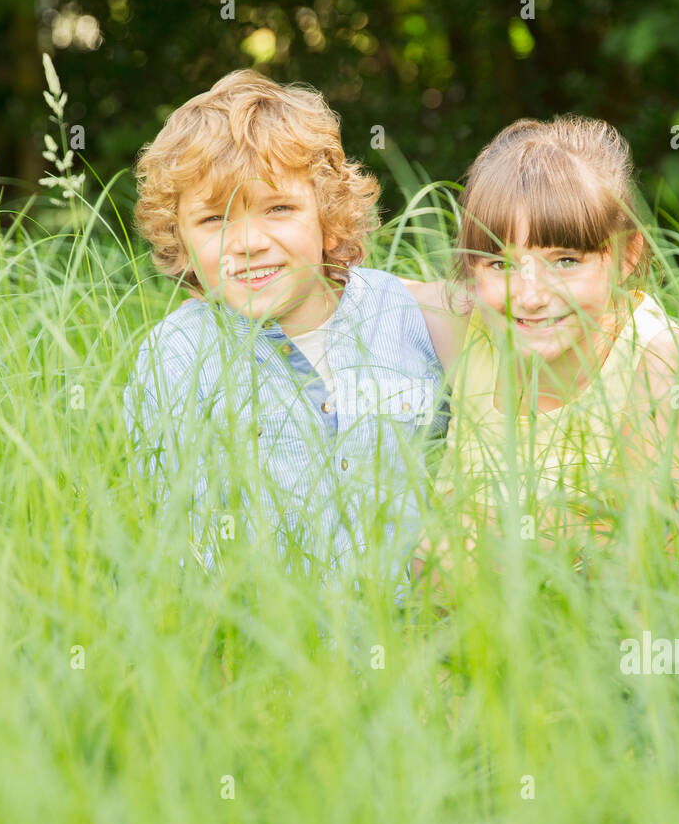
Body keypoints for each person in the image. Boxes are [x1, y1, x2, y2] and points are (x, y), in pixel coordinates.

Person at [122, 70, 446, 592]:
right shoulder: (177, 356)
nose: (248, 242)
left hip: (423, 644)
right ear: (177, 235)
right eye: (214, 219)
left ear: (328, 215)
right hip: (272, 652)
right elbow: (182, 546)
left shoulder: (412, 317)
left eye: (279, 209)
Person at [404, 115, 679, 583]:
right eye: (500, 264)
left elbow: (644, 546)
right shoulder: (476, 322)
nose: (530, 295)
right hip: (471, 615)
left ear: (627, 257)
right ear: (471, 268)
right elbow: (343, 284)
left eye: (565, 261)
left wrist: (460, 551)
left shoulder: (652, 355)